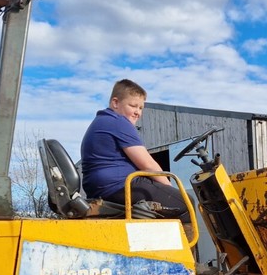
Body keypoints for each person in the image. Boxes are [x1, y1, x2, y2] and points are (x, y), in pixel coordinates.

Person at [80, 79, 190, 224]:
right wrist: (170, 189)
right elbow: (147, 165)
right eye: (133, 106)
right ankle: (187, 246)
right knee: (186, 202)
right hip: (118, 186)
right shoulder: (118, 121)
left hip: (102, 188)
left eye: (141, 108)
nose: (137, 112)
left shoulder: (102, 121)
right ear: (115, 103)